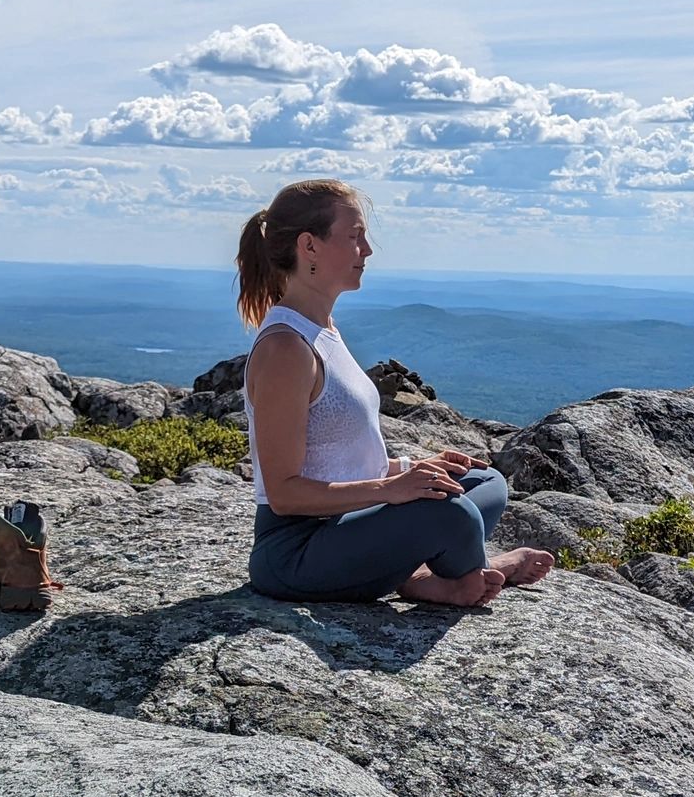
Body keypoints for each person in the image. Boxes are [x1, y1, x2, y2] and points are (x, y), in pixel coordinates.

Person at [235, 179, 553, 606]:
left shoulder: (321, 330)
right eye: (353, 236)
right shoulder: (285, 349)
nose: (366, 250)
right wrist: (392, 490)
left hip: (349, 526)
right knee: (450, 513)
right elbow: (285, 493)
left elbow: (333, 455)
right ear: (309, 246)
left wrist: (408, 469)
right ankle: (465, 572)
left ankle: (421, 574)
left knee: (483, 481)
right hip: (296, 553)